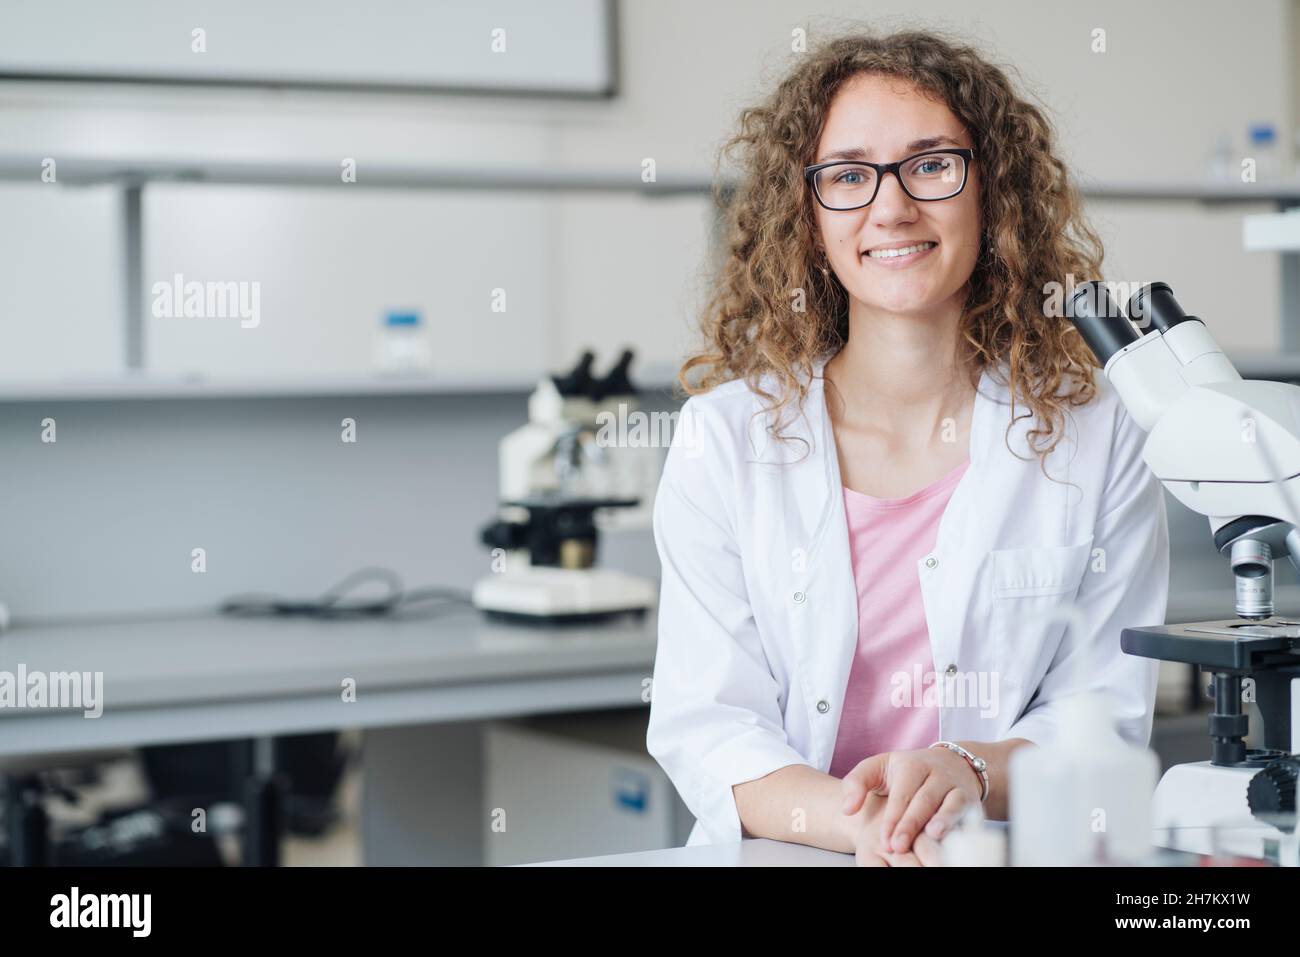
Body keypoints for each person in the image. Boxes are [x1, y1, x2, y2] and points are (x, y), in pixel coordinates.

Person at [645, 29, 1169, 866]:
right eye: (849, 176)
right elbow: (710, 726)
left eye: (930, 165)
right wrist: (863, 826)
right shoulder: (725, 439)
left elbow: (1104, 712)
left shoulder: (1099, 436)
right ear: (808, 216)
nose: (891, 208)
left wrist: (968, 770)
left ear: (991, 191)